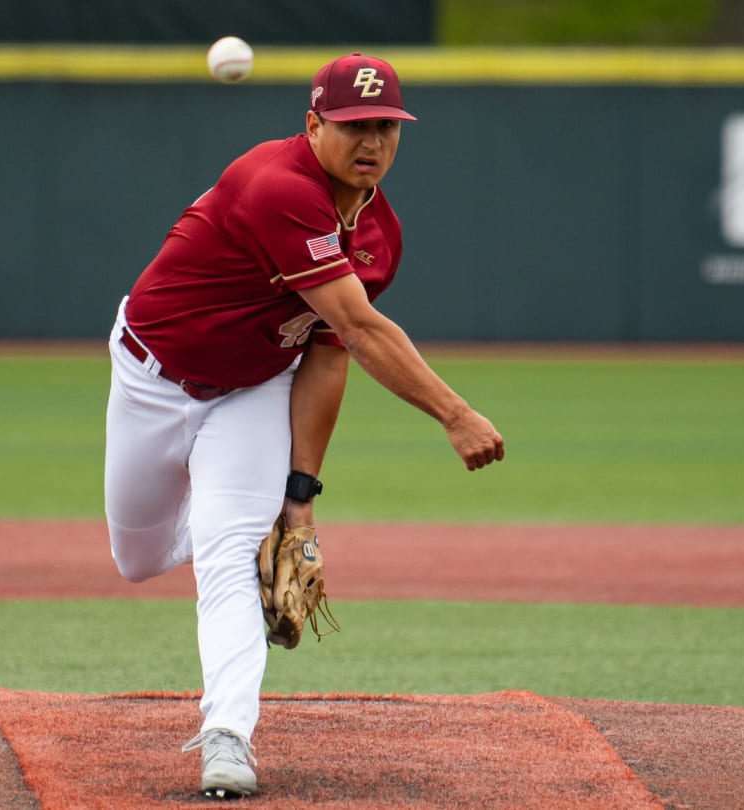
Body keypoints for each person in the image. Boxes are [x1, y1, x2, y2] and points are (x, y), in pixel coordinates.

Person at [103, 52, 504, 800]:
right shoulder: (276, 186)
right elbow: (360, 325)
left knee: (225, 556)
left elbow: (328, 357)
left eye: (386, 126)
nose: (372, 142)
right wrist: (455, 413)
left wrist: (298, 496)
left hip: (251, 390)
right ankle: (235, 516)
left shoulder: (380, 233)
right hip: (151, 377)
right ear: (314, 123)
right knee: (138, 556)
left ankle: (227, 735)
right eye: (354, 125)